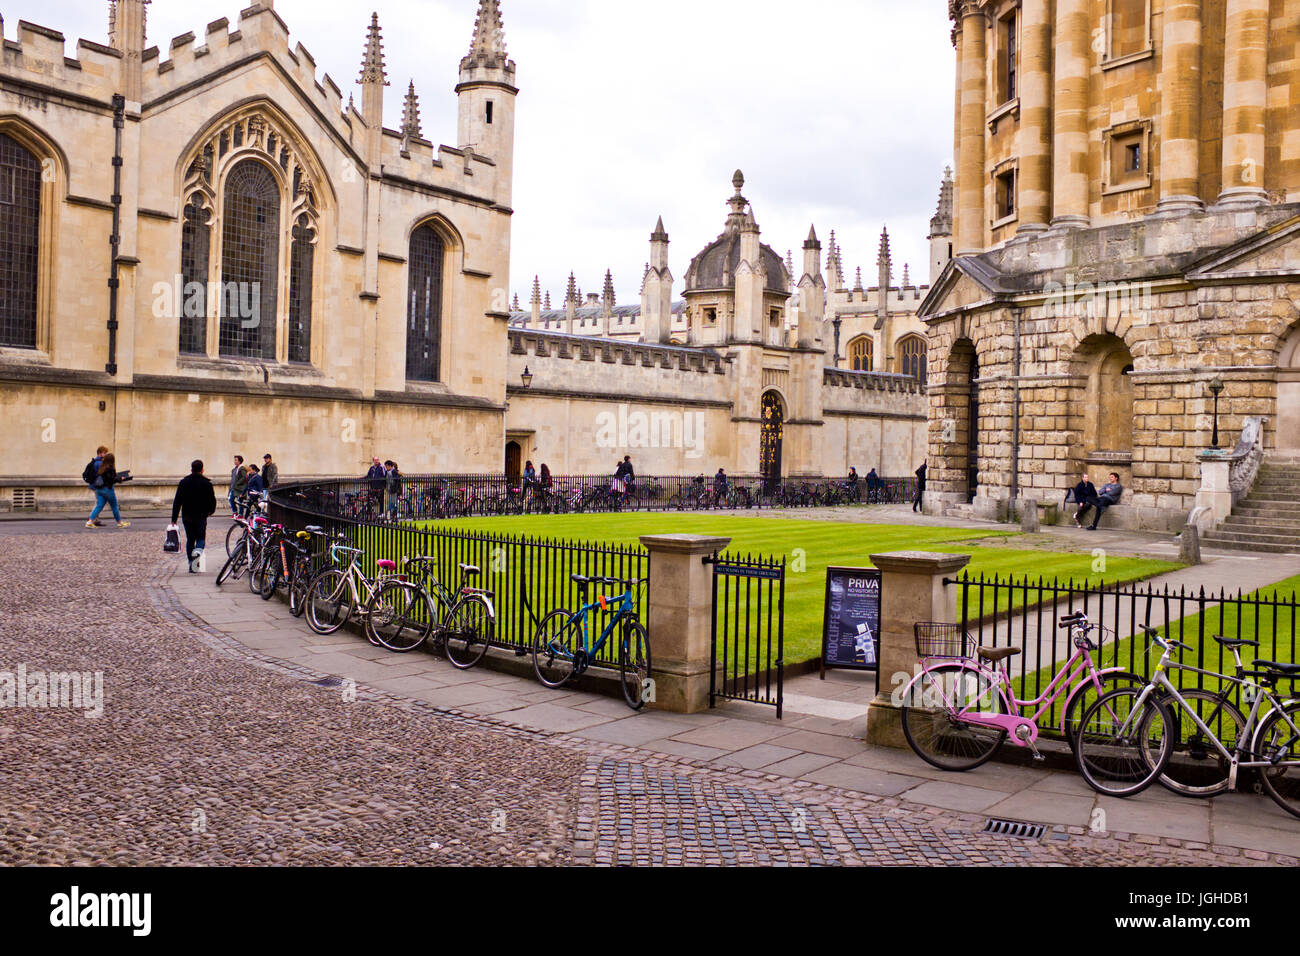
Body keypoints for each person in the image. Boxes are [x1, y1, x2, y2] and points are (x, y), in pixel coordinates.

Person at [172, 460, 217, 572]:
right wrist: (210, 511)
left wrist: (174, 519)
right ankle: (196, 561)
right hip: (201, 515)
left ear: (191, 469)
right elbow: (212, 500)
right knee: (201, 539)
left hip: (187, 515)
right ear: (202, 470)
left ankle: (192, 563)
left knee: (190, 539)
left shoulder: (184, 482)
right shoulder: (207, 483)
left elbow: (177, 501)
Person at [85, 453, 129, 529]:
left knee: (99, 506)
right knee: (114, 506)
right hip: (108, 490)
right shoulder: (110, 468)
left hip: (99, 490)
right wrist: (120, 479)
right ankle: (119, 523)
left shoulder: (101, 467)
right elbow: (111, 480)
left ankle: (89, 522)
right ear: (112, 460)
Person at [82, 445, 110, 526]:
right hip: (97, 486)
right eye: (104, 453)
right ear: (99, 453)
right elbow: (104, 475)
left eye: (106, 453)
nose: (105, 454)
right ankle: (91, 517)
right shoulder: (99, 463)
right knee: (99, 503)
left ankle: (96, 520)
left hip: (94, 485)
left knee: (98, 502)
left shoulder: (95, 462)